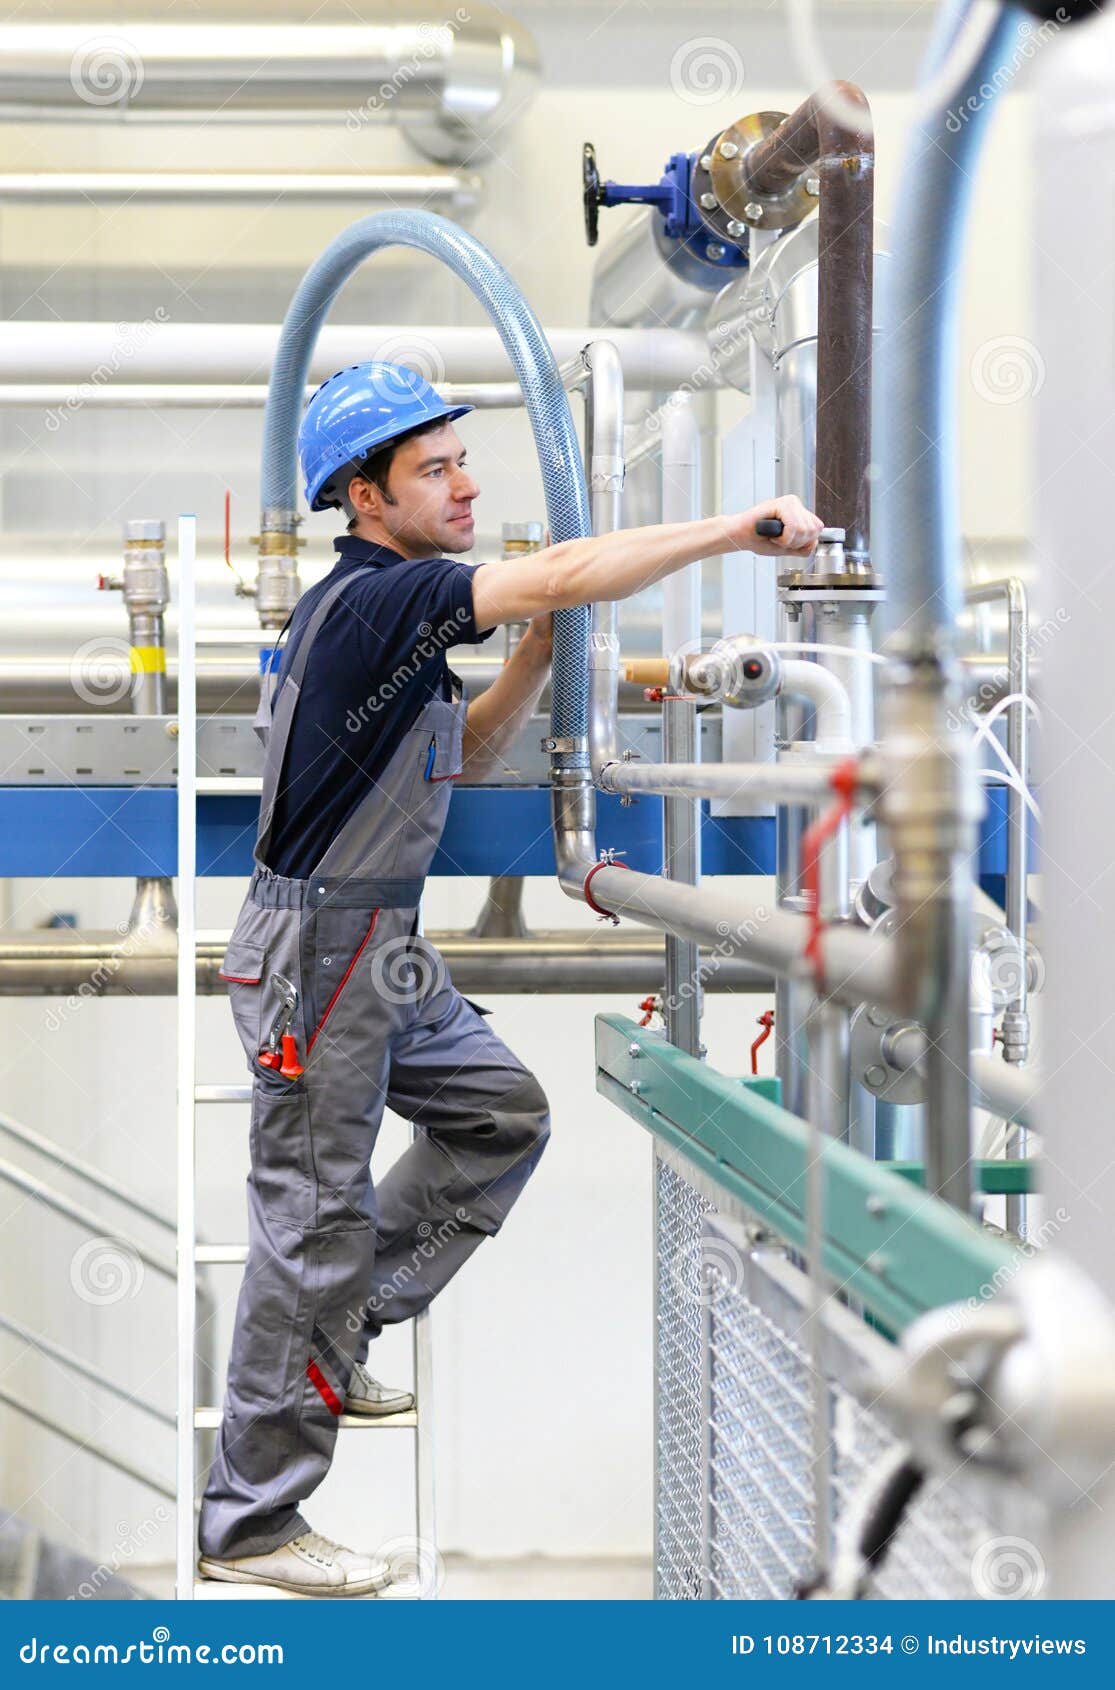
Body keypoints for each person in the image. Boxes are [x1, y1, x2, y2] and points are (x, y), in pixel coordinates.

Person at [197, 360, 823, 1595]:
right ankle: (253, 1522)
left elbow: (460, 754)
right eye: (432, 470)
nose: (464, 486)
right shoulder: (382, 598)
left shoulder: (391, 622)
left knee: (498, 1113)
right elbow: (560, 569)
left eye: (460, 462)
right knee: (311, 1224)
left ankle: (338, 1332)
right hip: (321, 951)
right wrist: (730, 532)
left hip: (380, 945)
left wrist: (534, 656)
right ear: (365, 497)